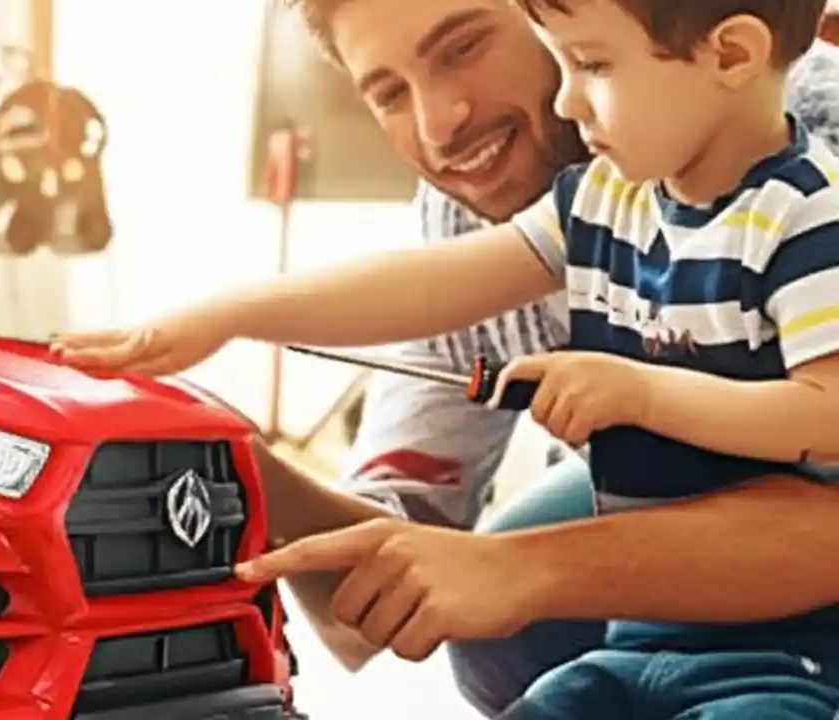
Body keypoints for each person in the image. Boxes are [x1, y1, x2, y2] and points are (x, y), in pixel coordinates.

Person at [51, 0, 839, 716]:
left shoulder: (798, 162)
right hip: (658, 594)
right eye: (390, 92)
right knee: (495, 630)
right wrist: (221, 366)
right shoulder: (581, 195)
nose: (439, 123)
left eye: (463, 46)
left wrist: (628, 412)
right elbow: (384, 587)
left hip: (804, 593)